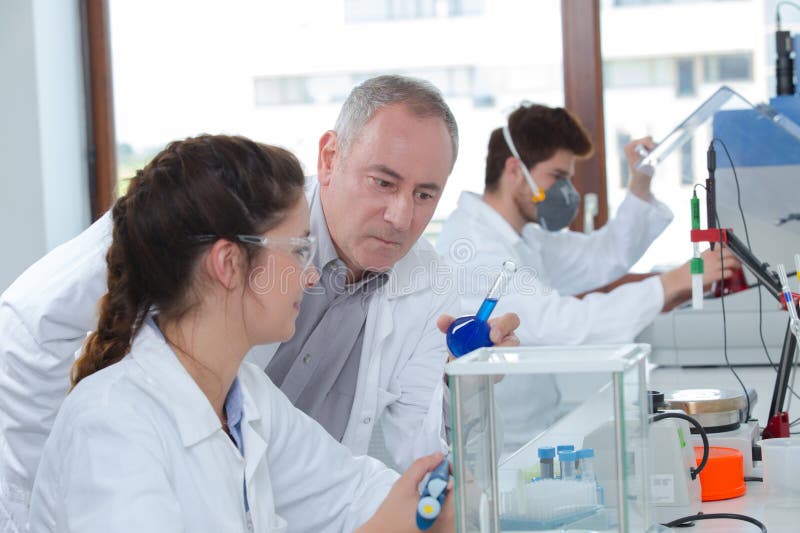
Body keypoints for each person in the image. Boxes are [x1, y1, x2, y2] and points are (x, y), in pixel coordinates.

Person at [0, 75, 519, 530]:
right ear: (330, 159)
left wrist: (463, 397)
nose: (401, 216)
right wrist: (39, 507)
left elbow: (365, 488)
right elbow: (26, 327)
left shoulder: (248, 400)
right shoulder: (223, 205)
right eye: (383, 182)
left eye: (426, 195)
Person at [435, 103, 739, 447]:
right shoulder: (475, 249)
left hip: (535, 427)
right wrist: (670, 284)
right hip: (500, 446)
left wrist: (639, 185)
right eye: (558, 177)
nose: (566, 192)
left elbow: (603, 255)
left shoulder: (524, 237)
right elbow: (563, 326)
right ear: (515, 170)